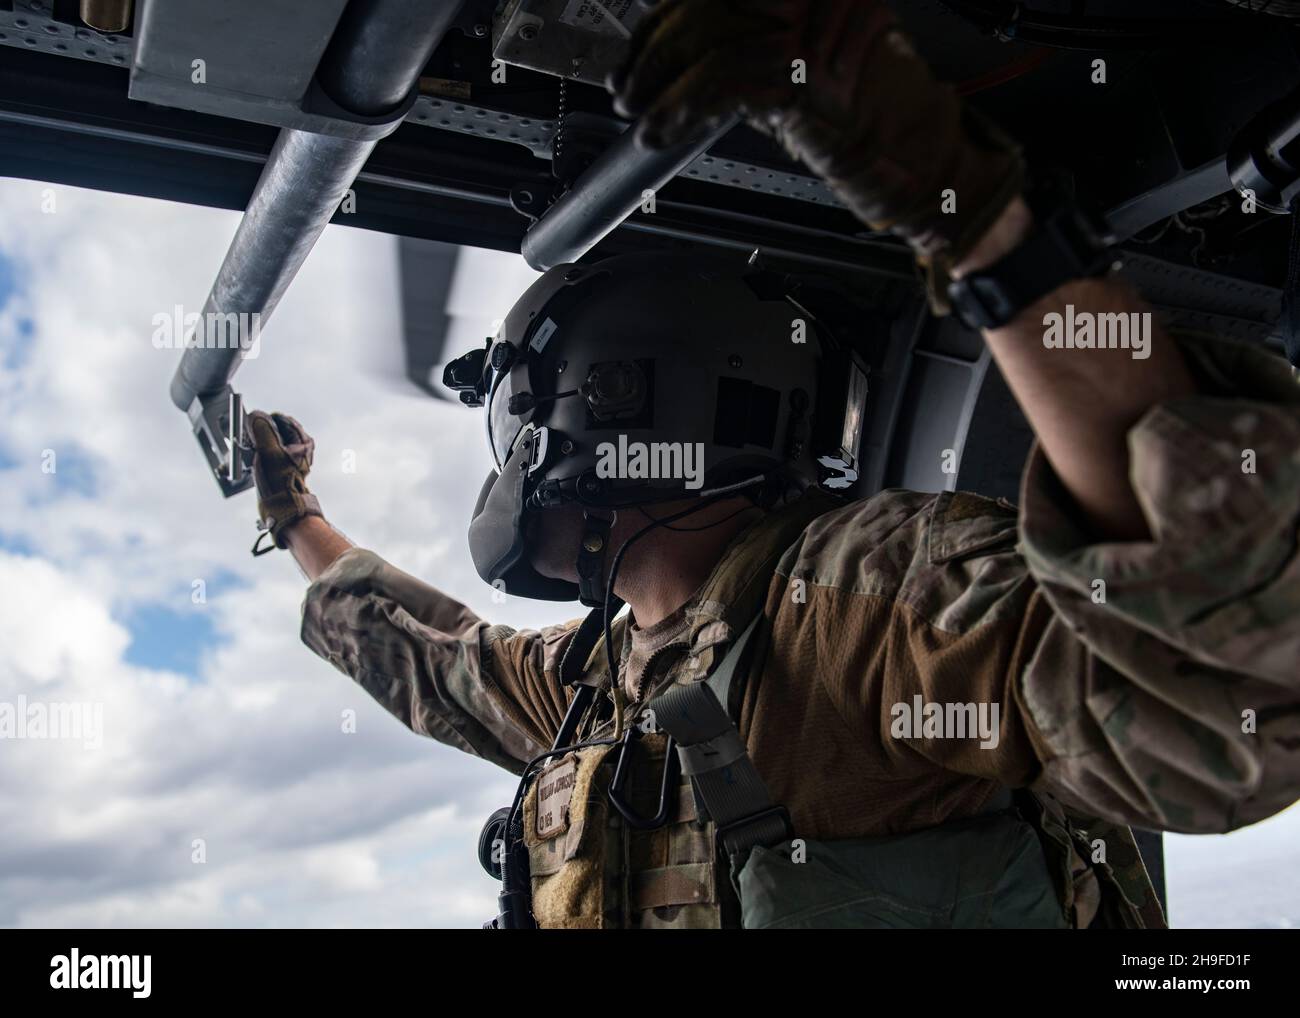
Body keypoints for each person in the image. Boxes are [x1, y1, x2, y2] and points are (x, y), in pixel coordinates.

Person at [246, 0, 1300, 928]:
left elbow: (1221, 702)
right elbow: (434, 656)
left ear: (583, 409)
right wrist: (296, 514)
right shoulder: (597, 675)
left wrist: (978, 218)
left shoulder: (858, 599)